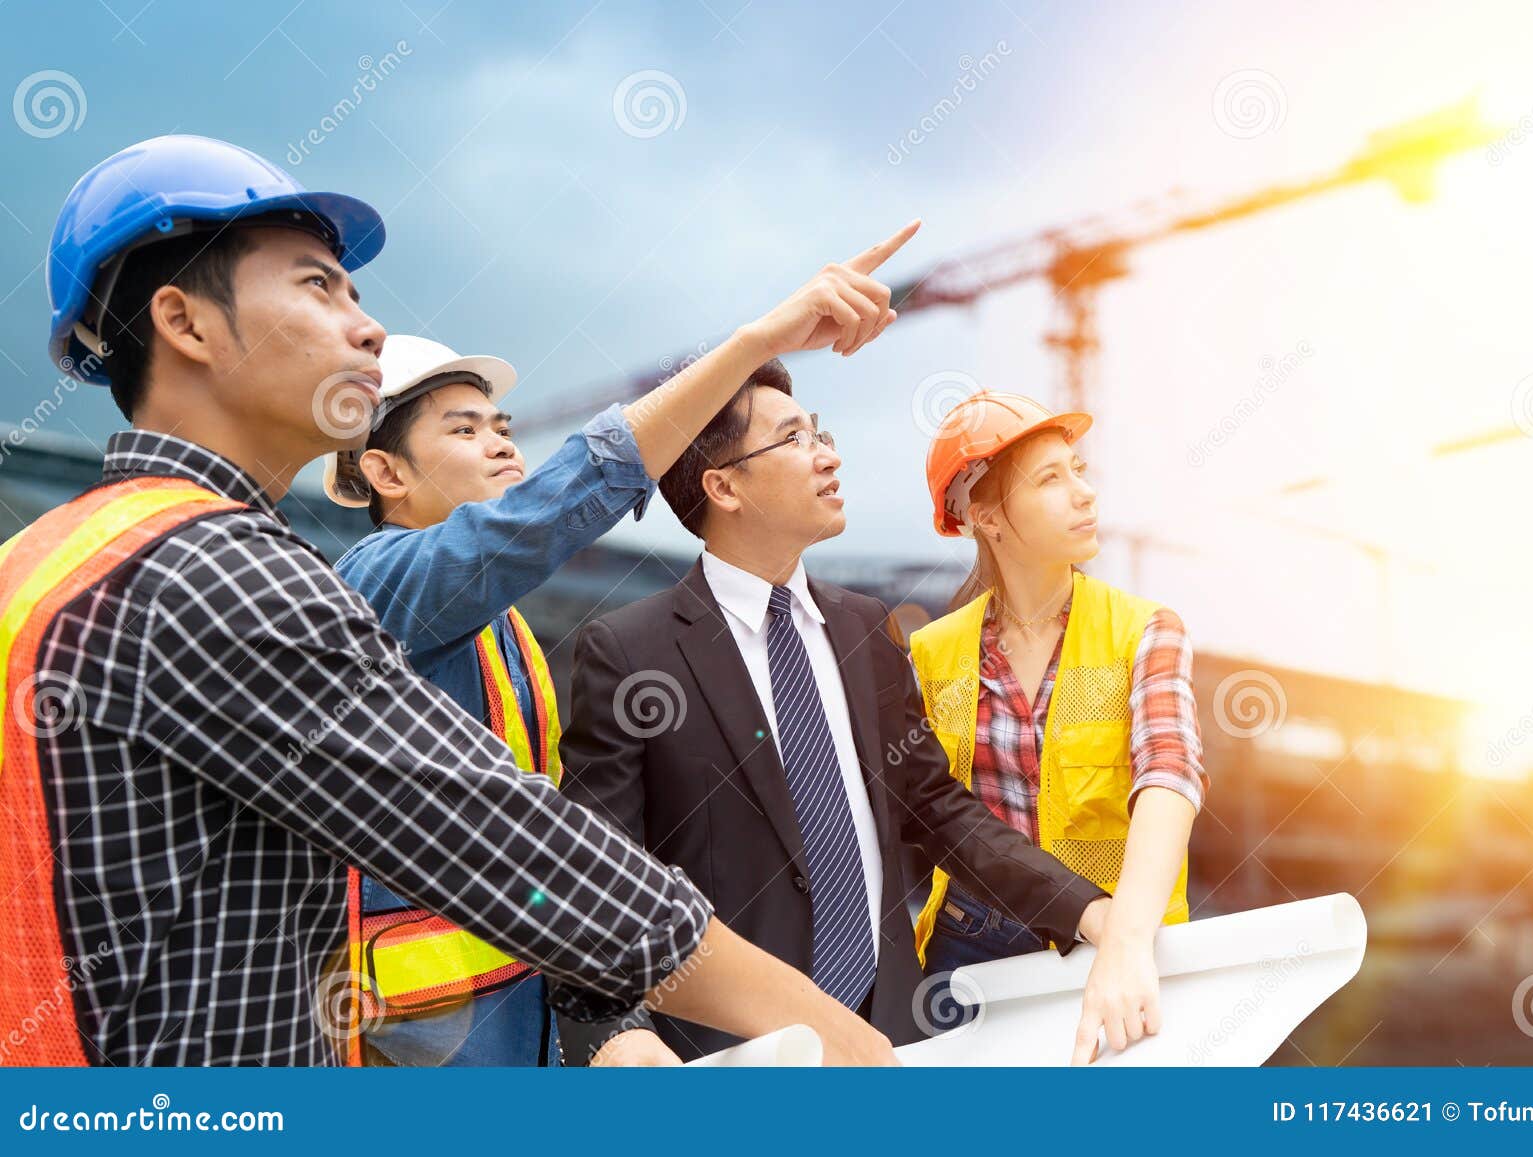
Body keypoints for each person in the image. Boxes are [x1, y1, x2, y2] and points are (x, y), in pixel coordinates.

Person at [0, 133, 902, 1066]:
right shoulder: (222, 575)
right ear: (186, 324)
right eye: (317, 285)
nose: (367, 325)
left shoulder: (57, 559)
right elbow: (516, 843)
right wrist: (849, 1045)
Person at [328, 219, 918, 1069]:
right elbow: (543, 515)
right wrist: (756, 339)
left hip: (512, 1012)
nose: (500, 440)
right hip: (425, 1036)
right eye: (462, 430)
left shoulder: (499, 626)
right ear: (385, 474)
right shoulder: (381, 587)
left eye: (499, 423)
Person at [553, 360, 1114, 1063]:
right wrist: (614, 1029)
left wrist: (1085, 908)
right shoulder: (632, 653)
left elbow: (935, 807)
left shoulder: (863, 628)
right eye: (793, 439)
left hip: (891, 1036)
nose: (828, 453)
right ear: (722, 486)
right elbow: (589, 868)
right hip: (730, 1056)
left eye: (818, 430)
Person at [912, 390, 1210, 1065]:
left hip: (1118, 932)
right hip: (969, 946)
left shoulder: (1144, 629)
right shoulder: (932, 653)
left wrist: (1126, 940)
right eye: (1052, 478)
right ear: (985, 515)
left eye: (1079, 470)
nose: (1084, 493)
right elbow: (924, 809)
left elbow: (1170, 770)